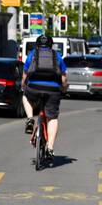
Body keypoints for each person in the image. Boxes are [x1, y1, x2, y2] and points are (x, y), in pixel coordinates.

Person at [22, 33, 67, 162]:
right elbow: (63, 77)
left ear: (37, 45)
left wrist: (24, 86)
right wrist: (64, 89)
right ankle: (50, 147)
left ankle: (30, 119)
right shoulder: (57, 56)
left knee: (25, 96)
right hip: (53, 90)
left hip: (34, 88)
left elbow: (25, 74)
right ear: (51, 45)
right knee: (52, 117)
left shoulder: (32, 55)